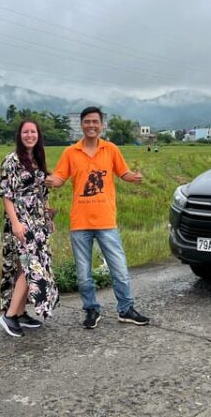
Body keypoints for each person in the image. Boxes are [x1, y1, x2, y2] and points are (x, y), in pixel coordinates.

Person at [46, 106, 150, 329]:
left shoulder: (110, 149)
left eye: (95, 122)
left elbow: (124, 173)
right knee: (83, 274)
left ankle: (126, 309)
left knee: (119, 269)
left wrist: (134, 177)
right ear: (81, 124)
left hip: (106, 221)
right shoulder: (70, 153)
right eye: (87, 121)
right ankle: (91, 309)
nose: (91, 125)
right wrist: (51, 180)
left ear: (102, 125)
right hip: (80, 222)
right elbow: (59, 177)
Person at [0, 120, 60, 337]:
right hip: (21, 220)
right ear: (19, 135)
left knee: (27, 266)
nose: (29, 135)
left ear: (38, 135)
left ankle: (21, 312)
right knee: (29, 266)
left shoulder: (37, 159)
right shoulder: (11, 160)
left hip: (38, 221)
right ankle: (10, 315)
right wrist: (15, 223)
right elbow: (6, 194)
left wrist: (48, 215)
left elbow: (43, 192)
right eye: (25, 132)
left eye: (33, 132)